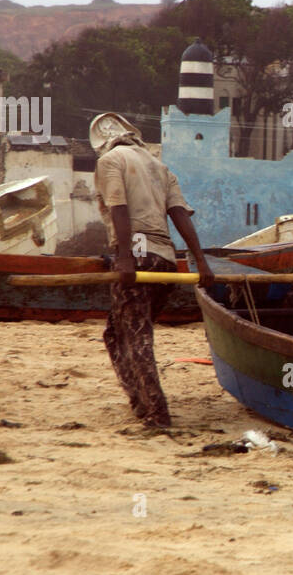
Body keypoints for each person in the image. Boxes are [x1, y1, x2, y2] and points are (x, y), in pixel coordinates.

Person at [91, 112, 214, 428]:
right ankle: (141, 403)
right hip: (165, 261)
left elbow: (118, 207)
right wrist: (200, 261)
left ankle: (156, 412)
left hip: (138, 256)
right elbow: (179, 214)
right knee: (118, 332)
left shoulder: (110, 161)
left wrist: (125, 256)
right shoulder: (159, 167)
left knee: (135, 337)